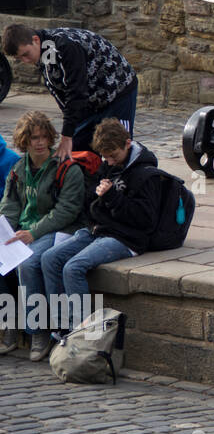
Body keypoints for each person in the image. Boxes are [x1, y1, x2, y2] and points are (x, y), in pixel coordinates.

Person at [37, 120, 159, 334]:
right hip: (99, 229)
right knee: (49, 258)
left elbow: (145, 220)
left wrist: (112, 197)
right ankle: (62, 327)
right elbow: (91, 202)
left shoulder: (145, 174)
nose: (109, 161)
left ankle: (82, 334)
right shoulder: (107, 165)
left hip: (126, 238)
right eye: (105, 157)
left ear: (127, 144)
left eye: (114, 156)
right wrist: (95, 194)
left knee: (73, 268)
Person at [1, 112, 88, 359]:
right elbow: (10, 205)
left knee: (28, 264)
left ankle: (37, 330)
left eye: (43, 137)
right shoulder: (19, 168)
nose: (39, 143)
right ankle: (8, 322)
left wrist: (33, 232)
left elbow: (66, 211)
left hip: (55, 230)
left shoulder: (65, 168)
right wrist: (3, 231)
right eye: (33, 138)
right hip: (25, 230)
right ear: (24, 142)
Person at [2, 24, 138, 161]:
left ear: (36, 40)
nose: (25, 61)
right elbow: (60, 93)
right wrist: (71, 129)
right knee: (77, 148)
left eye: (26, 54)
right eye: (20, 58)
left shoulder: (65, 46)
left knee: (117, 146)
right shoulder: (41, 52)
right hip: (90, 99)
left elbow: (76, 92)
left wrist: (67, 136)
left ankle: (122, 178)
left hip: (118, 91)